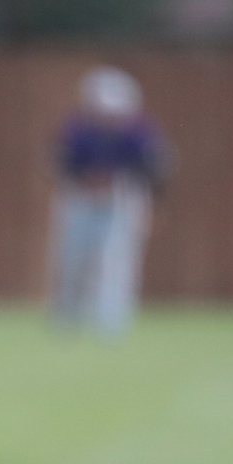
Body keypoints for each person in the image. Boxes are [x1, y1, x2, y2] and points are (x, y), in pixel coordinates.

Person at [50, 66, 169, 337]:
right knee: (73, 259)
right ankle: (67, 316)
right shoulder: (77, 129)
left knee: (117, 261)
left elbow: (155, 167)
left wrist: (154, 205)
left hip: (122, 199)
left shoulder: (139, 131)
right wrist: (85, 180)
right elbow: (60, 163)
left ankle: (110, 321)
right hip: (80, 199)